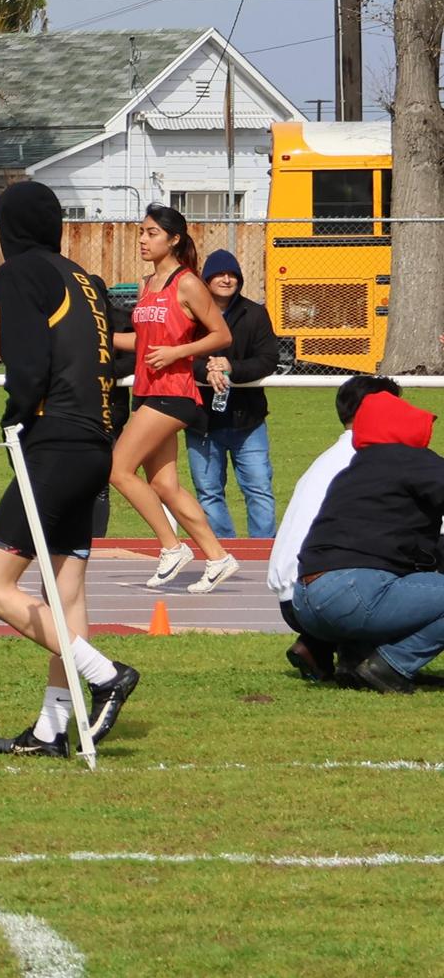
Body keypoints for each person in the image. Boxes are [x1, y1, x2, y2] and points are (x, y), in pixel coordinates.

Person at [0, 181, 141, 759]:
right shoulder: (86, 281)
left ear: (11, 227)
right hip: (96, 443)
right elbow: (110, 360)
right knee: (66, 594)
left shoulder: (19, 274)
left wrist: (14, 416)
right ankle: (52, 728)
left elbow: (28, 361)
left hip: (55, 443)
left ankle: (105, 674)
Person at [109, 203, 236, 592]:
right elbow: (143, 341)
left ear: (174, 239)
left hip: (173, 394)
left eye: (151, 233)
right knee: (164, 486)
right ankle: (218, 557)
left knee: (116, 470)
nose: (143, 240)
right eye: (141, 233)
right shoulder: (147, 285)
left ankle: (171, 547)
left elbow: (221, 335)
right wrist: (96, 336)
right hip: (148, 391)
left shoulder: (188, 283)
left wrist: (178, 353)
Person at [293, 389, 444, 693]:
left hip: (305, 602)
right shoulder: (409, 459)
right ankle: (392, 665)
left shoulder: (355, 470)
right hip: (354, 592)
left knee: (399, 577)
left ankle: (353, 663)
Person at [268, 374, 402, 684]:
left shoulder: (329, 458)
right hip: (323, 593)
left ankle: (319, 645)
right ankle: (384, 661)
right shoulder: (371, 461)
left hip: (293, 597)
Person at [184, 249, 280, 555]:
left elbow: (268, 359)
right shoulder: (190, 314)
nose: (227, 280)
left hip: (248, 419)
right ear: (206, 280)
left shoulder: (255, 313)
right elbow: (182, 356)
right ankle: (225, 551)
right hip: (203, 421)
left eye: (232, 275)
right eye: (219, 275)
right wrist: (208, 369)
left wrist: (231, 369)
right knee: (209, 492)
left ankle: (264, 551)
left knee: (259, 489)